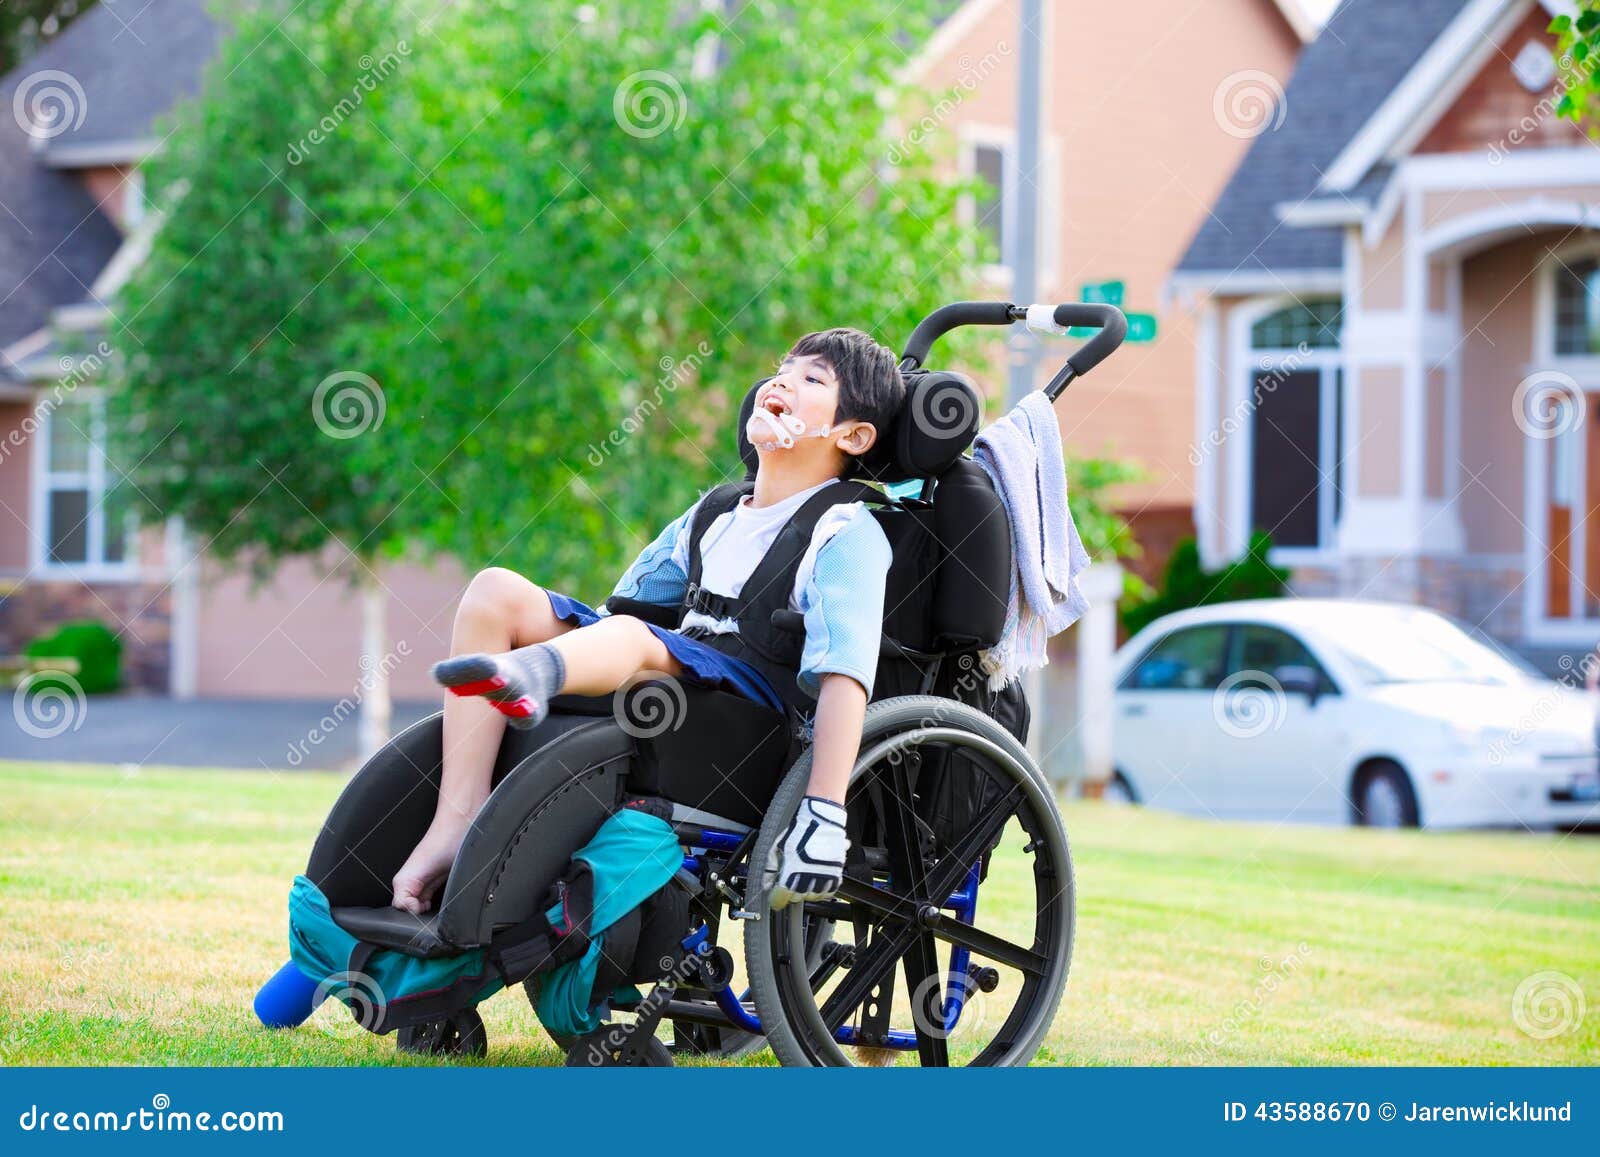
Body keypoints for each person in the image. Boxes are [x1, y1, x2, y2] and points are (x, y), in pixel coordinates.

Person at [391, 327, 901, 918]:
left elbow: (847, 675)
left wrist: (823, 812)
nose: (783, 380)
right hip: (674, 663)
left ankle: (533, 675)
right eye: (783, 367)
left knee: (635, 643)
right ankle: (458, 814)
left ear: (854, 435)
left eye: (813, 379)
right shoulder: (713, 514)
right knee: (495, 592)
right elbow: (623, 609)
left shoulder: (848, 531)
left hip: (752, 719)